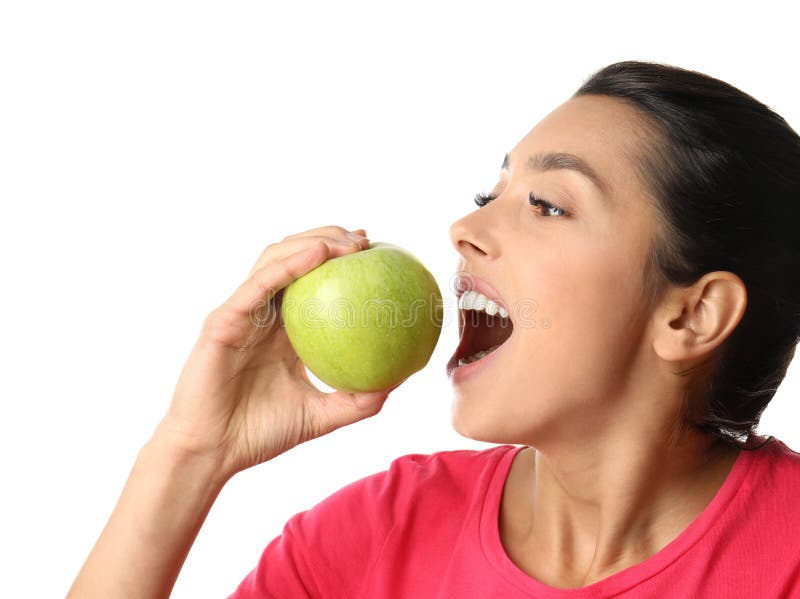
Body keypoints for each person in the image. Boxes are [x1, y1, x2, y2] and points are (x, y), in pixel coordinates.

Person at [67, 61, 800, 598]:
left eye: (546, 204)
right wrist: (192, 452)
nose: (464, 228)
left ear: (691, 313)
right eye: (491, 191)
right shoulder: (377, 535)